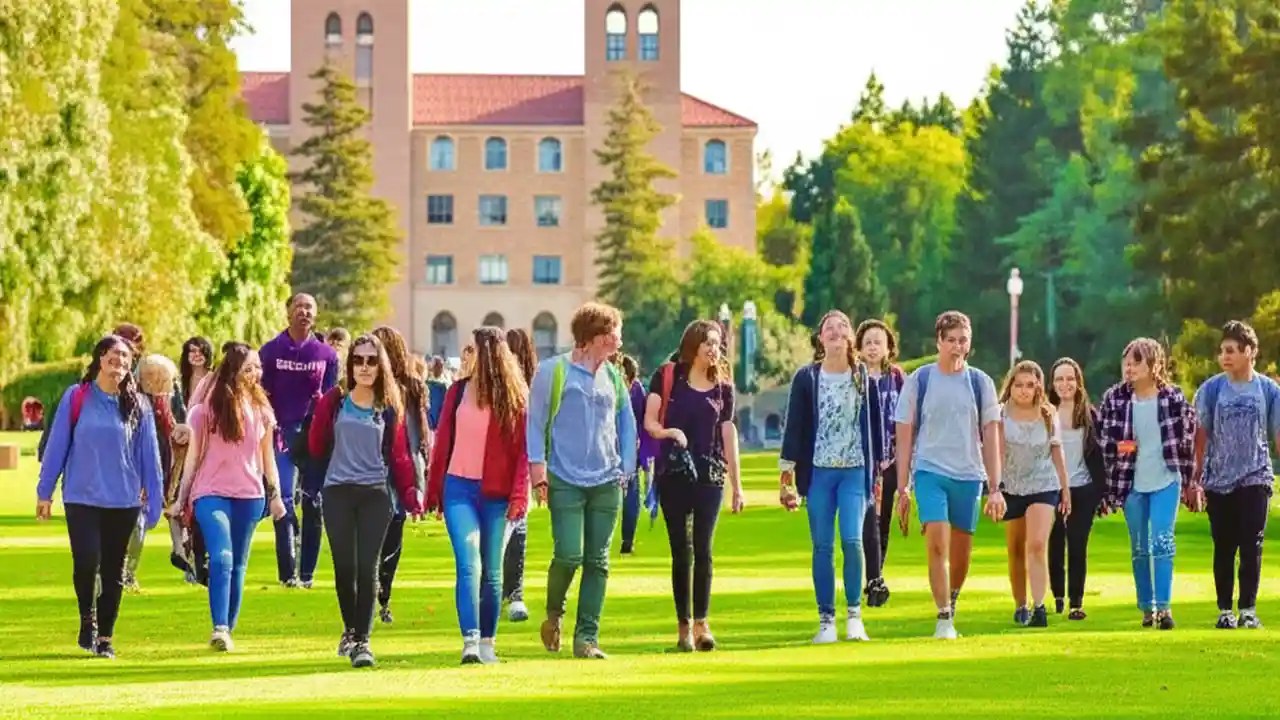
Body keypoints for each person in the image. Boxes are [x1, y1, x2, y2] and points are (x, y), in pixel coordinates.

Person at [36, 335, 164, 659]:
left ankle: (105, 637)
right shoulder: (76, 397)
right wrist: (45, 492)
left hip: (123, 500)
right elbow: (57, 446)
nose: (120, 362)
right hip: (81, 496)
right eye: (114, 355)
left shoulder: (138, 405)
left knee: (113, 572)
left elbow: (150, 456)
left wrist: (154, 503)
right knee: (85, 562)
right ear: (100, 358)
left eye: (126, 357)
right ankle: (87, 619)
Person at [527, 302, 637, 660]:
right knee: (570, 554)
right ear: (595, 337)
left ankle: (586, 638)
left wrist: (627, 469)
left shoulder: (614, 377)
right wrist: (537, 468)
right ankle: (554, 614)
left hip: (606, 479)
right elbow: (536, 421)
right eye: (615, 335)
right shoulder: (553, 371)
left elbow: (627, 422)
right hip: (565, 477)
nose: (619, 343)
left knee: (598, 560)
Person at [308, 333, 423, 668]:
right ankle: (350, 629)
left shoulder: (389, 405)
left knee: (366, 566)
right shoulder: (335, 399)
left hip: (375, 493)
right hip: (337, 491)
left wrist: (411, 493)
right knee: (344, 567)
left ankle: (362, 640)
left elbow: (400, 456)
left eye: (371, 360)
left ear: (381, 365)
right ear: (350, 364)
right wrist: (319, 413)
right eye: (358, 360)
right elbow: (316, 446)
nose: (364, 367)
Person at [167, 343, 287, 651]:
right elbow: (192, 459)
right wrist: (182, 499)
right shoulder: (203, 412)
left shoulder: (261, 411)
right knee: (221, 556)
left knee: (239, 564)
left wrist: (276, 496)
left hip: (250, 495)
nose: (256, 373)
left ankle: (227, 627)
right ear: (233, 371)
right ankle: (219, 626)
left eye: (258, 368)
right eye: (249, 368)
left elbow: (267, 459)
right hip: (209, 493)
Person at [893, 311, 1002, 640]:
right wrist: (903, 487)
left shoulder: (981, 383)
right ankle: (943, 617)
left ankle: (951, 600)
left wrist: (995, 488)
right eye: (950, 340)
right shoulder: (920, 380)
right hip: (930, 471)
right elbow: (904, 434)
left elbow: (991, 434)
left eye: (962, 340)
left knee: (961, 553)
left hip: (968, 476)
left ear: (969, 344)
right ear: (938, 341)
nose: (957, 346)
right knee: (937, 544)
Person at [428, 327, 530, 664]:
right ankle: (470, 640)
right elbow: (442, 442)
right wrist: (434, 490)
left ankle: (488, 641)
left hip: (496, 494)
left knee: (493, 570)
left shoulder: (515, 398)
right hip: (459, 489)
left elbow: (522, 455)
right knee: (468, 562)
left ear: (492, 355)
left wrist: (519, 496)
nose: (470, 355)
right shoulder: (457, 392)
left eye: (475, 349)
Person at [645, 320, 744, 651]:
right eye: (708, 343)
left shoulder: (723, 388)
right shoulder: (668, 376)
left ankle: (702, 623)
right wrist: (670, 434)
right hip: (675, 473)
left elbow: (728, 434)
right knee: (680, 551)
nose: (714, 349)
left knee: (704, 549)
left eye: (717, 344)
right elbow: (650, 421)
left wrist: (737, 485)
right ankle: (683, 626)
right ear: (693, 345)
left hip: (710, 475)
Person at [780, 310, 875, 643]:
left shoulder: (863, 376)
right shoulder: (807, 378)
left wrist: (876, 473)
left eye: (842, 327)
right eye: (828, 328)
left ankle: (854, 616)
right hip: (819, 471)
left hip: (854, 470)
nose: (835, 332)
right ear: (820, 338)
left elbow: (874, 429)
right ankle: (826, 621)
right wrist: (786, 476)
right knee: (822, 546)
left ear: (850, 336)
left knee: (852, 539)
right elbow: (795, 427)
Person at [1099, 337, 1197, 630]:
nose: (1129, 368)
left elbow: (1188, 441)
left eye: (1137, 361)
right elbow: (1103, 441)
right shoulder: (1115, 398)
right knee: (1140, 546)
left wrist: (1192, 482)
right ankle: (1147, 607)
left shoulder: (1174, 398)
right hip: (1131, 483)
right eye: (1126, 362)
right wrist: (1125, 447)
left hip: (1166, 479)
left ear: (1154, 365)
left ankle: (1165, 608)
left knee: (1162, 541)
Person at [1192, 321, 1280, 630]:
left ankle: (1248, 609)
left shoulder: (1269, 390)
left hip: (1256, 477)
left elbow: (1277, 434)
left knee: (1251, 543)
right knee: (1224, 546)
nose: (1225, 357)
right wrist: (1196, 478)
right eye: (1222, 351)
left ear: (1250, 352)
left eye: (1231, 350)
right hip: (1219, 480)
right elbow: (1200, 435)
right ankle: (1224, 611)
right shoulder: (1211, 389)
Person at [260, 293, 340, 588]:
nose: (303, 312)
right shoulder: (270, 352)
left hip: (315, 437)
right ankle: (287, 572)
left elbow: (333, 398)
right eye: (298, 307)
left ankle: (307, 573)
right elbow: (260, 393)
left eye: (309, 308)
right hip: (280, 435)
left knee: (314, 501)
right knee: (283, 500)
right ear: (288, 313)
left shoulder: (327, 356)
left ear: (315, 315)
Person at [995, 360, 1071, 628]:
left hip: (1043, 484)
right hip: (1011, 486)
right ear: (1011, 386)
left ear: (1038, 386)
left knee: (1037, 544)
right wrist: (994, 489)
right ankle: (1021, 604)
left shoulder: (1048, 414)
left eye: (1030, 385)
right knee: (1015, 549)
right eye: (1019, 385)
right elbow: (998, 453)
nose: (1024, 391)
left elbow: (1057, 451)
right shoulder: (1000, 415)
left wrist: (1065, 489)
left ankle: (1040, 607)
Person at [370, 326, 431, 625]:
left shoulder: (411, 385)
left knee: (395, 523)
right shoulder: (365, 385)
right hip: (371, 463)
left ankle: (384, 591)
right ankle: (372, 587)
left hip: (401, 463)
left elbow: (419, 429)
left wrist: (422, 466)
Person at [1047, 358, 1105, 620]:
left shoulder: (1090, 416)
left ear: (1078, 382)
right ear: (1052, 383)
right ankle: (1058, 596)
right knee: (1055, 542)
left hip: (1083, 489)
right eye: (1059, 379)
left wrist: (1101, 492)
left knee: (1078, 545)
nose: (1065, 384)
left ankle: (1076, 603)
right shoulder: (1046, 414)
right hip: (1053, 489)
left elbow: (1101, 456)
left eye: (1070, 378)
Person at [854, 319, 905, 608]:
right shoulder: (855, 376)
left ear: (888, 348)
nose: (873, 347)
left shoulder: (897, 377)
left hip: (890, 460)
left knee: (882, 521)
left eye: (878, 342)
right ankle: (872, 577)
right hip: (861, 461)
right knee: (866, 521)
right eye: (868, 342)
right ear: (859, 348)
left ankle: (876, 575)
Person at [500, 328, 538, 623]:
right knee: (516, 525)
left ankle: (509, 589)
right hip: (521, 460)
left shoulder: (507, 384)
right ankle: (513, 591)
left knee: (511, 523)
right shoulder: (532, 384)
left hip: (511, 460)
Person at [621, 355, 657, 555]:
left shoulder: (636, 392)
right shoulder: (620, 390)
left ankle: (628, 540)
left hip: (630, 452)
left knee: (631, 496)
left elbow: (644, 425)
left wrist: (644, 455)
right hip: (611, 450)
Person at [180, 337, 216, 409]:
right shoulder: (182, 380)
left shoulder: (214, 379)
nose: (197, 354)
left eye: (201, 351)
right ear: (186, 355)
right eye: (193, 351)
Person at [426, 356, 450, 431]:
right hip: (430, 424)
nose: (438, 369)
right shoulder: (426, 384)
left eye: (440, 367)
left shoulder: (444, 387)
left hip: (436, 424)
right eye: (436, 366)